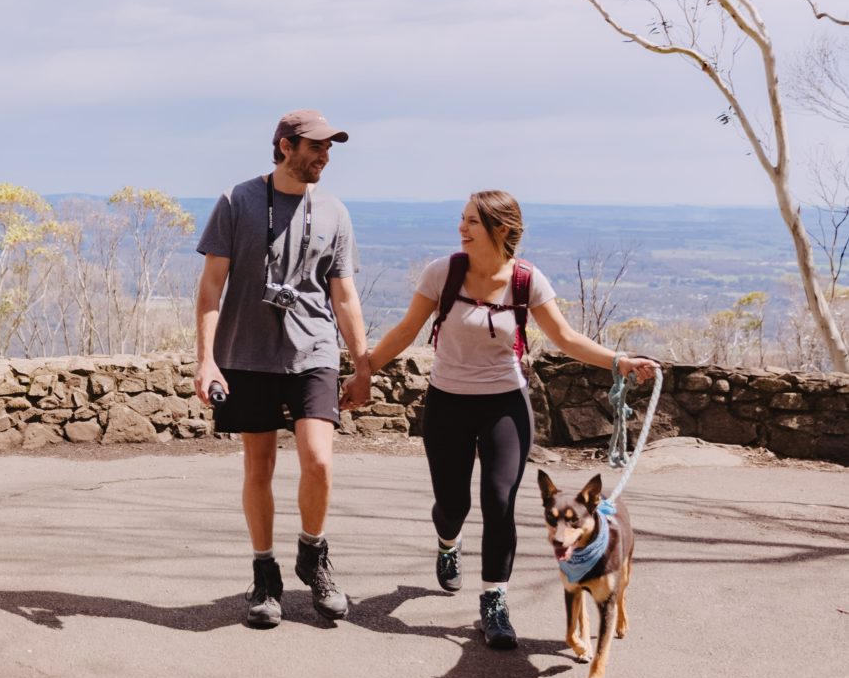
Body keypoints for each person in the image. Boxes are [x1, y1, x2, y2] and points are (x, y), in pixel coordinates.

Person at [358, 190, 657, 648]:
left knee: (499, 502)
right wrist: (363, 373)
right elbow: (404, 331)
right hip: (447, 403)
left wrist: (620, 361)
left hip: (505, 405)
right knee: (453, 505)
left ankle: (494, 602)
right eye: (461, 219)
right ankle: (448, 542)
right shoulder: (443, 273)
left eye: (472, 222)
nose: (462, 228)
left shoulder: (525, 279)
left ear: (500, 230)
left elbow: (566, 337)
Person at [195, 109, 372, 629]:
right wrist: (206, 360)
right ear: (284, 146)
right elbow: (211, 287)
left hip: (313, 351)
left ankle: (312, 556)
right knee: (260, 468)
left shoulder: (335, 211)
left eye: (329, 148)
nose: (324, 156)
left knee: (318, 461)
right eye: (315, 146)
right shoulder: (238, 201)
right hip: (247, 353)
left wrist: (361, 363)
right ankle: (265, 574)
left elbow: (344, 294)